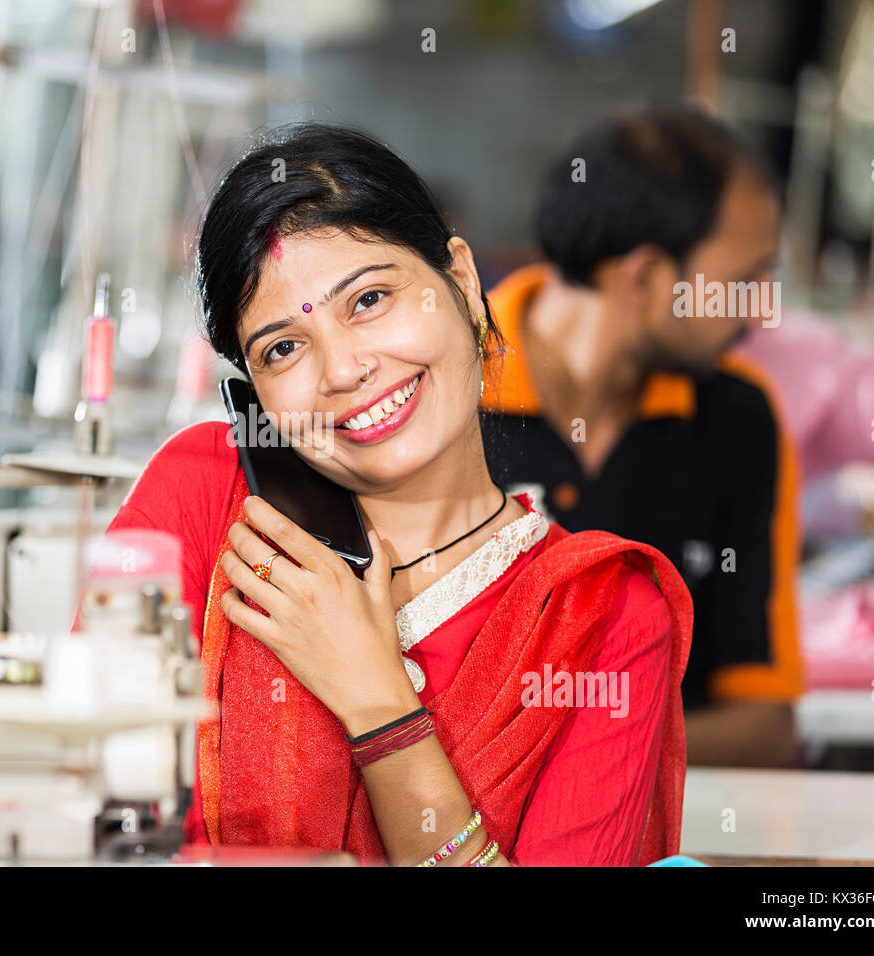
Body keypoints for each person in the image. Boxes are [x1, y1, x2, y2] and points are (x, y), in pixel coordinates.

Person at [103, 123, 693, 866]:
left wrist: (376, 699)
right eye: (283, 348)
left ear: (463, 281)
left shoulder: (602, 615)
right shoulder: (208, 493)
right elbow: (103, 815)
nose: (343, 370)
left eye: (370, 299)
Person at [482, 103, 803, 768]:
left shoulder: (738, 416)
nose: (760, 312)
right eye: (744, 281)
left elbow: (764, 725)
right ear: (647, 276)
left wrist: (559, 758)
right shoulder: (437, 389)